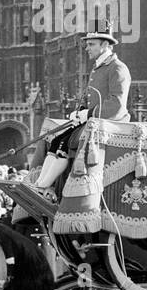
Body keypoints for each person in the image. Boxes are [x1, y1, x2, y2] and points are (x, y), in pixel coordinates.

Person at [34, 24, 132, 195]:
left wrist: (88, 113)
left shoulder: (117, 67)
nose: (87, 48)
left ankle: (44, 187)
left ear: (105, 45)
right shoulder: (98, 67)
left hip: (110, 122)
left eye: (91, 44)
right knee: (57, 140)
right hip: (94, 120)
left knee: (67, 143)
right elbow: (90, 97)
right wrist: (79, 111)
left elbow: (116, 104)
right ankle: (41, 184)